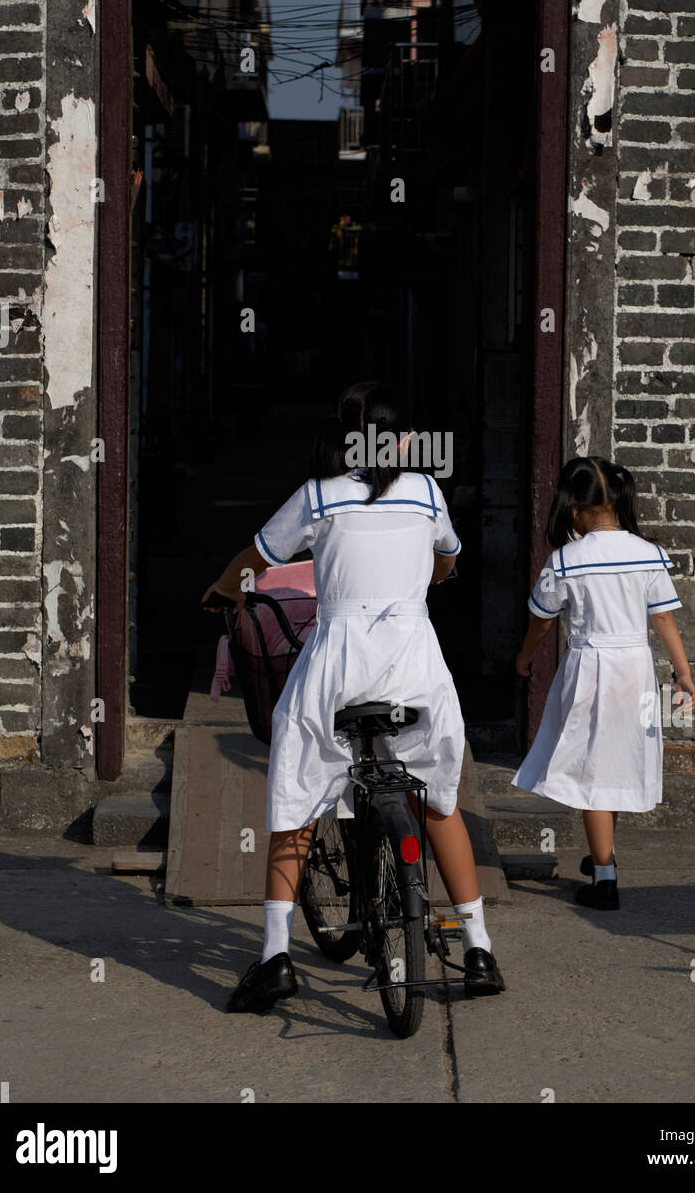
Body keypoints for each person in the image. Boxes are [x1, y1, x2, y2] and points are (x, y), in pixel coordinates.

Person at [202, 380, 506, 1011]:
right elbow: (448, 558)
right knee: (439, 804)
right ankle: (479, 949)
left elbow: (252, 562)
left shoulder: (318, 496)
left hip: (337, 667)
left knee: (298, 802)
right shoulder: (426, 491)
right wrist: (428, 571)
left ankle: (274, 957)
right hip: (413, 664)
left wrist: (222, 591)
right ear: (406, 440)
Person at [514, 456, 695, 910]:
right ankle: (602, 856)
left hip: (590, 668)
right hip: (635, 669)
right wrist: (684, 671)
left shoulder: (566, 560)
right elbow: (664, 618)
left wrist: (523, 659)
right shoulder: (647, 553)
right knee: (609, 762)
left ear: (574, 507)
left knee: (592, 770)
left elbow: (540, 620)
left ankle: (606, 879)